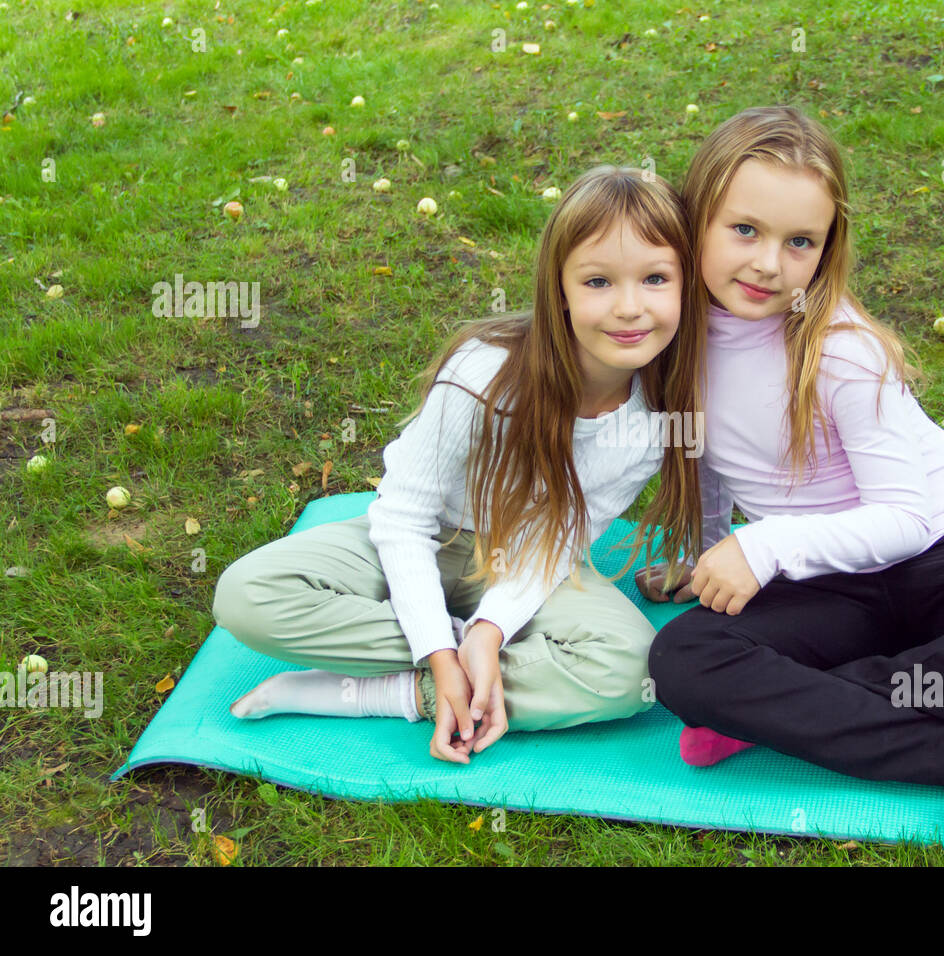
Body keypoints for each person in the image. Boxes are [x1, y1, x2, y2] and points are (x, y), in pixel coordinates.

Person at [637, 107, 944, 865]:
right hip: (832, 585)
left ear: (827, 250)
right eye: (745, 231)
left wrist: (760, 548)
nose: (769, 264)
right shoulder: (671, 339)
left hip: (943, 549)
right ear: (695, 218)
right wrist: (703, 556)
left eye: (800, 242)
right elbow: (707, 462)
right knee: (683, 664)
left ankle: (783, 708)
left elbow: (901, 520)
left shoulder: (843, 349)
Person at [212, 164, 703, 764]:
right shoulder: (482, 373)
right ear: (561, 291)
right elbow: (403, 518)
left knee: (630, 667)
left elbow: (559, 538)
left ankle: (388, 693)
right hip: (425, 539)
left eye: (655, 278)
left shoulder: (654, 420)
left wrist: (492, 630)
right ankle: (451, 665)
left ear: (686, 286)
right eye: (598, 281)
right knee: (246, 594)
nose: (630, 307)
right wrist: (443, 650)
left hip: (524, 562)